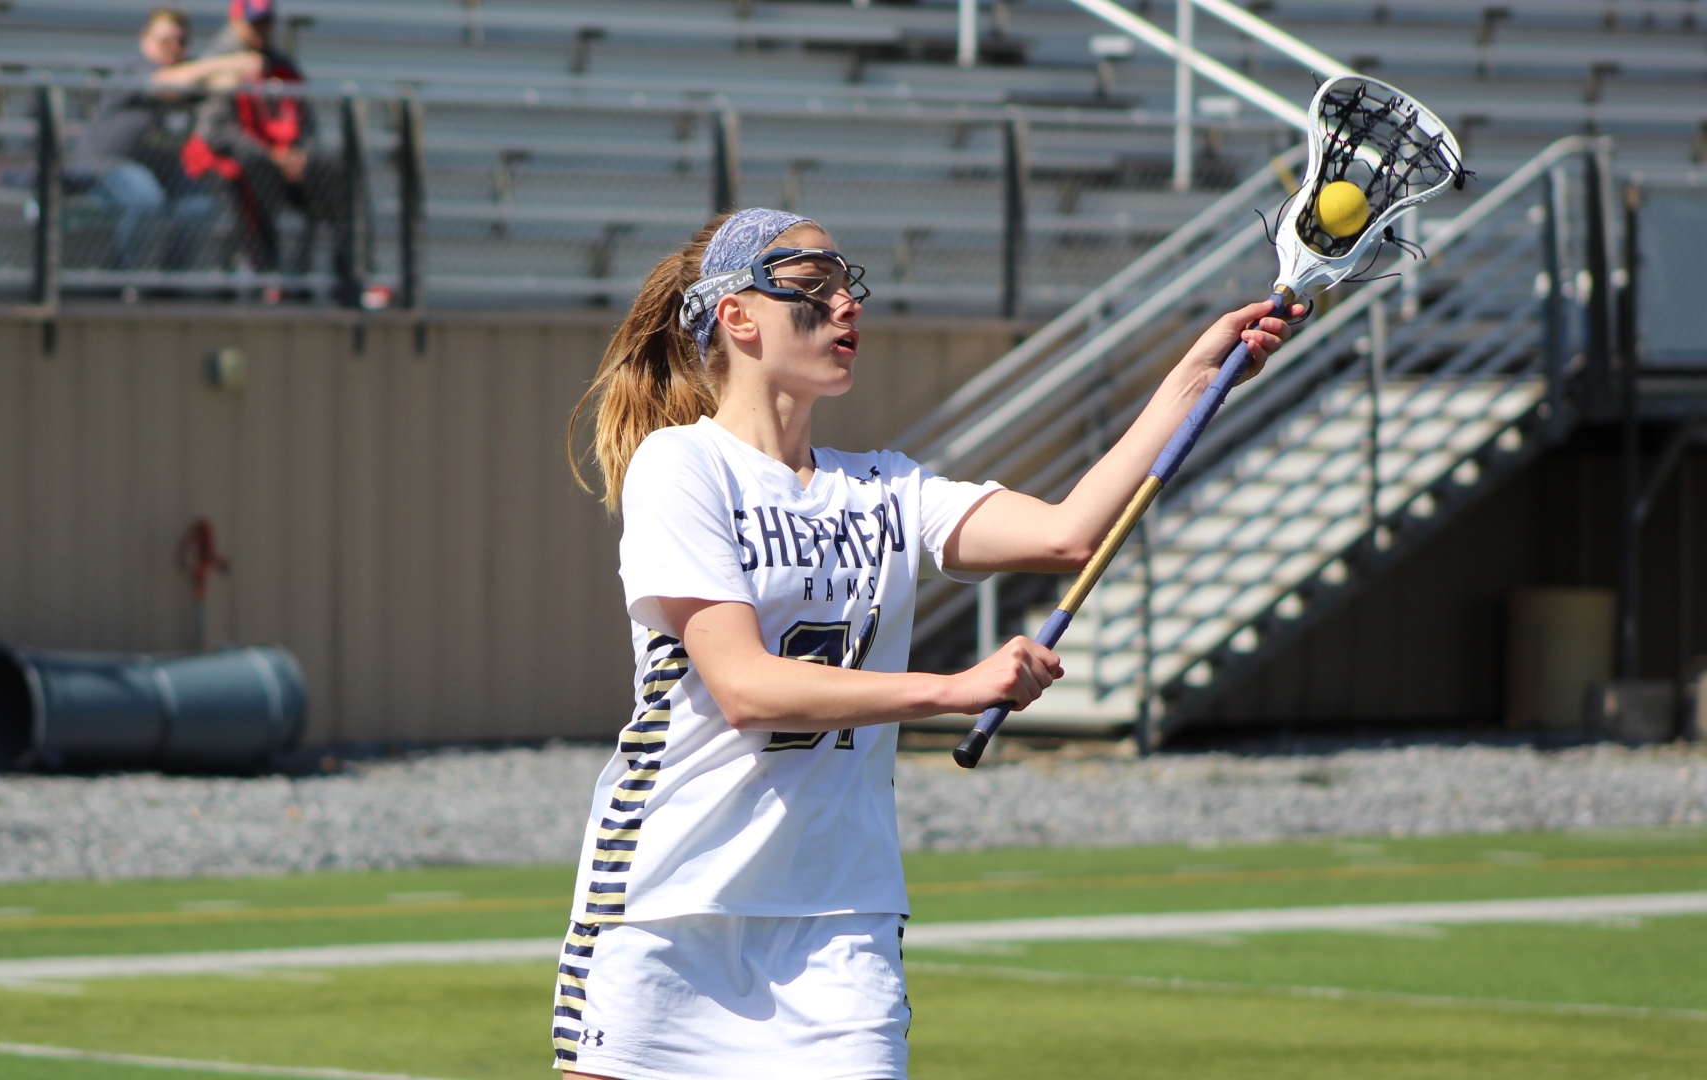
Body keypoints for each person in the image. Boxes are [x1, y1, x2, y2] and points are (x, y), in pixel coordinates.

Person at [557, 208, 1300, 1080]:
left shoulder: (885, 488)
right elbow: (747, 689)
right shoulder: (682, 466)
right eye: (813, 286)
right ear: (737, 316)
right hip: (668, 906)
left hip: (842, 922)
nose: (846, 305)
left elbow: (1069, 533)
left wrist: (1196, 376)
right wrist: (957, 688)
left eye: (849, 286)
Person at [183, 0, 359, 304]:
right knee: (255, 167)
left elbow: (306, 124)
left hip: (284, 163)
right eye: (254, 23)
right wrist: (271, 155)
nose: (261, 30)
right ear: (236, 22)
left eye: (266, 22)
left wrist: (301, 154)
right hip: (238, 167)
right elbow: (217, 133)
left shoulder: (283, 66)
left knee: (337, 169)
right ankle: (266, 274)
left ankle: (350, 275)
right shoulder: (220, 62)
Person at [69, 8, 259, 272]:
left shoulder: (189, 73)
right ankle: (121, 277)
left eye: (181, 41)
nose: (174, 48)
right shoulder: (134, 67)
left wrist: (241, 59)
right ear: (145, 39)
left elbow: (226, 83)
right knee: (145, 200)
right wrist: (228, 62)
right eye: (165, 40)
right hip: (105, 165)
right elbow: (167, 84)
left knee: (201, 206)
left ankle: (170, 280)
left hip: (162, 170)